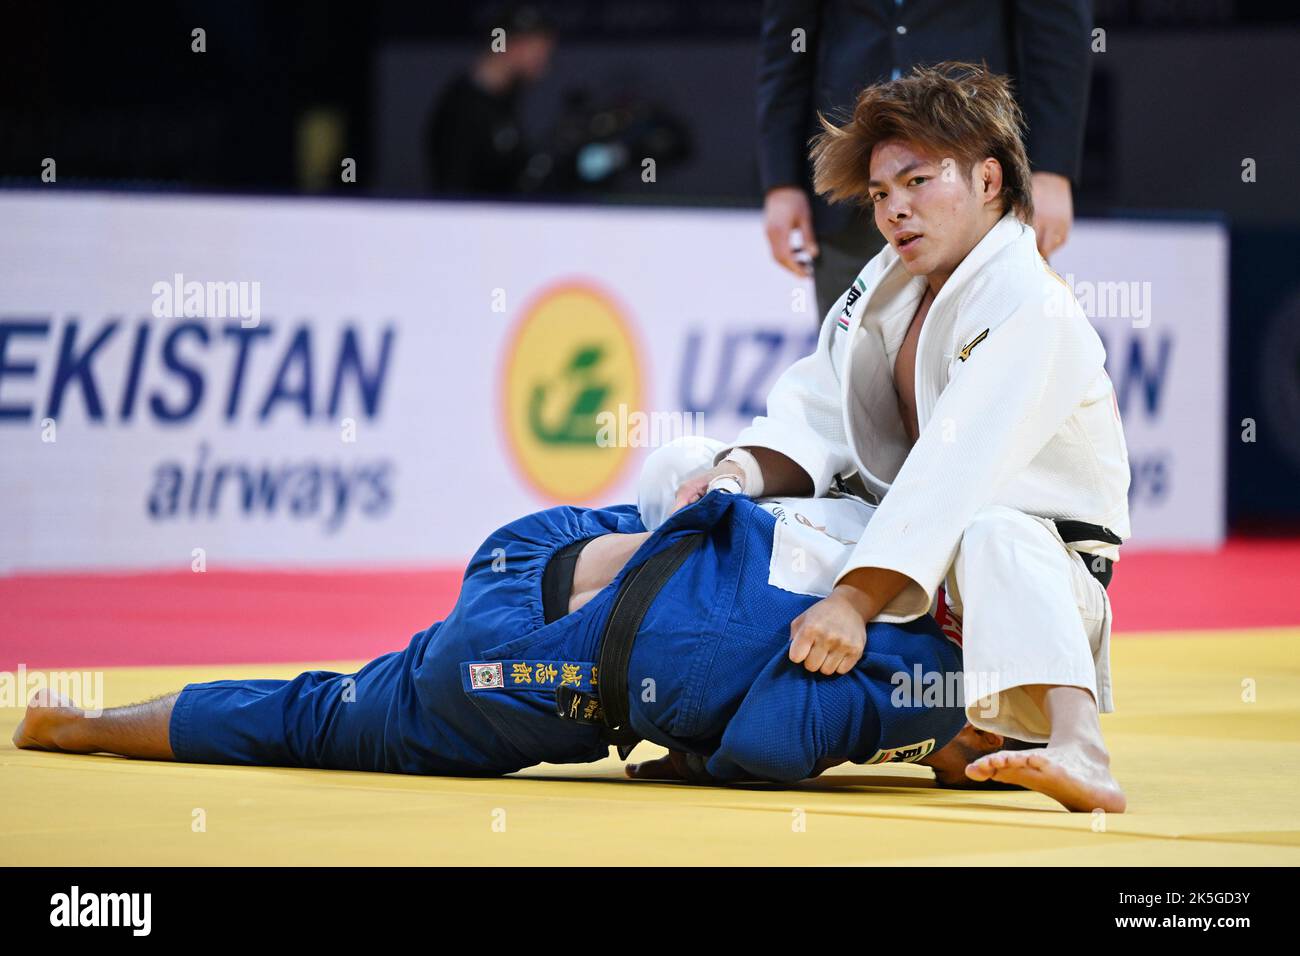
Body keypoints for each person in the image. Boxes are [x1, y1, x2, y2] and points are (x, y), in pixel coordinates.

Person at [14, 439, 1023, 791]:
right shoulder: (920, 687)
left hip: (543, 544)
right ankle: (81, 723)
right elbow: (765, 737)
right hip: (540, 662)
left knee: (690, 495)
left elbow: (713, 495)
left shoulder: (893, 522)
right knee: (320, 719)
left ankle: (81, 721)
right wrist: (914, 737)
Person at [674, 64, 1131, 812]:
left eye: (918, 182)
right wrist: (736, 472)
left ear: (988, 181)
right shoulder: (889, 283)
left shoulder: (1029, 300)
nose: (895, 211)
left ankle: (1078, 745)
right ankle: (690, 713)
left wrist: (853, 602)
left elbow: (958, 468)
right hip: (915, 544)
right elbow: (817, 407)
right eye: (882, 194)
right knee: (686, 471)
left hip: (1034, 564)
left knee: (992, 532)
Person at [757, 0, 1092, 319]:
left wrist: (1051, 169)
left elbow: (1056, 33)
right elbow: (786, 42)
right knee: (849, 364)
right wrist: (781, 183)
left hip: (969, 171)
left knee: (982, 352)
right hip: (847, 183)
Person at [425, 5, 555, 195]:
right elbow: (453, 187)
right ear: (516, 47)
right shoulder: (464, 109)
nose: (545, 67)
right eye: (540, 55)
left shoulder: (506, 102)